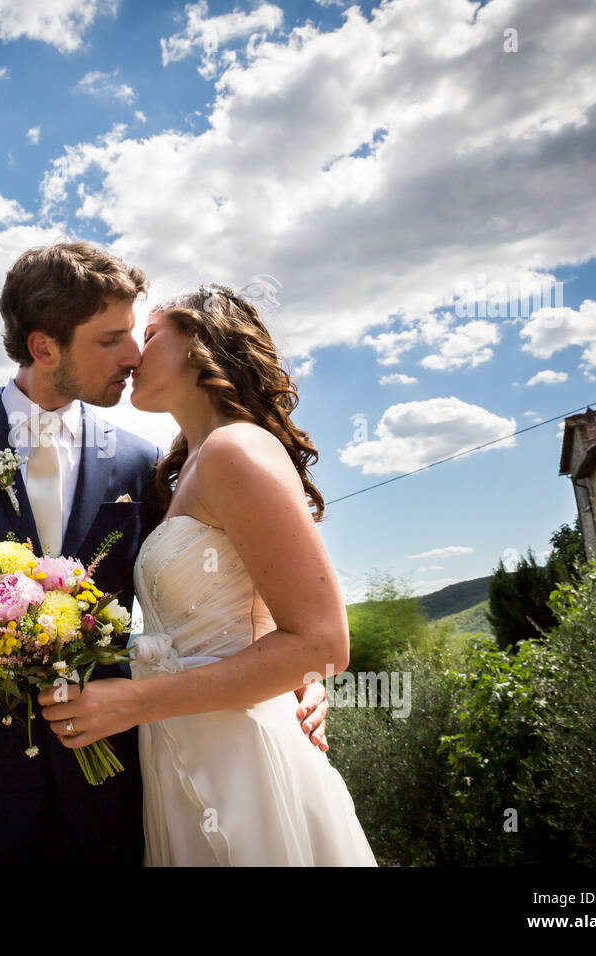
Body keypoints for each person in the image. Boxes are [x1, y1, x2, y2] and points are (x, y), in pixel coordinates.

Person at [0, 246, 330, 867]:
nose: (133, 355)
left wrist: (303, 684)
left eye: (136, 335)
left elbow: (244, 582)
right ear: (44, 348)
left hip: (116, 794)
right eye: (110, 340)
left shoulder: (145, 464)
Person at [38, 283, 377, 866]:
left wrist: (134, 701)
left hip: (245, 765)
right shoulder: (176, 477)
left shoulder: (236, 450)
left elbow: (322, 643)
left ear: (199, 343)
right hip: (180, 758)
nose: (133, 356)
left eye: (147, 336)